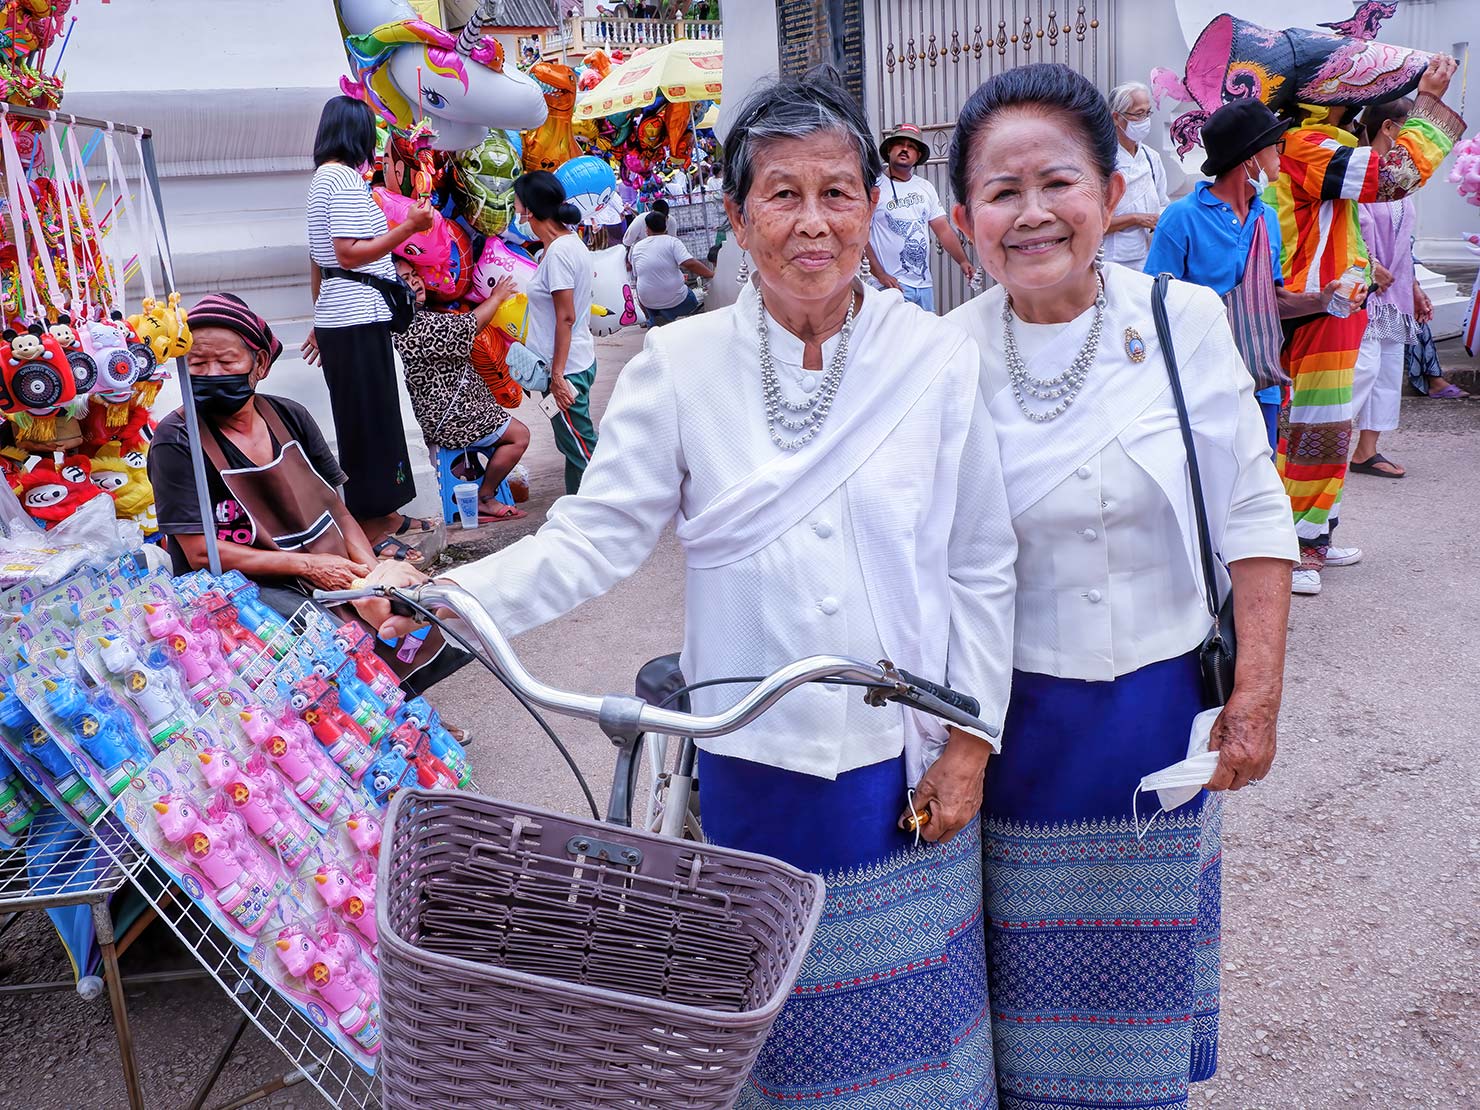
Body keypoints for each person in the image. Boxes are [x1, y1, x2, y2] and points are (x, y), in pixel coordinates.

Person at [356, 69, 1017, 1109]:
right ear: (740, 215)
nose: (813, 222)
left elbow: (981, 562)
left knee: (909, 1040)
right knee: (762, 1031)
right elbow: (592, 541)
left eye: (837, 193)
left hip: (906, 760)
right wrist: (439, 595)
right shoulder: (680, 364)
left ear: (871, 208)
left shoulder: (933, 360)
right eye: (783, 194)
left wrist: (970, 743)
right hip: (752, 757)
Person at [945, 63, 1298, 1110]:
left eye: (1057, 182)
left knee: (1128, 1023)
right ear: (964, 218)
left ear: (1107, 189)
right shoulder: (936, 357)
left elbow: (1251, 515)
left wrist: (1258, 697)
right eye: (1000, 193)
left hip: (1153, 721)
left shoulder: (1181, 322)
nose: (1032, 213)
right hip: (1006, 732)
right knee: (1010, 1011)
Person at [150, 293, 461, 692]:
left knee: (399, 605)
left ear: (259, 364)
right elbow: (198, 551)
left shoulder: (288, 415)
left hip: (321, 561)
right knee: (327, 638)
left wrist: (370, 575)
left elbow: (336, 509)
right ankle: (369, 720)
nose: (211, 373)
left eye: (226, 362)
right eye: (196, 364)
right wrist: (310, 568)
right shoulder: (176, 440)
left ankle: (408, 708)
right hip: (244, 583)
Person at [1272, 55, 1463, 594]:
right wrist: (1427, 103)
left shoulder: (1311, 143)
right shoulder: (1307, 144)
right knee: (1314, 427)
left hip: (1336, 305)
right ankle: (1296, 548)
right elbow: (1395, 176)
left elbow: (1331, 225)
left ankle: (1316, 534)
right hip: (1314, 311)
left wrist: (1365, 264)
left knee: (1328, 428)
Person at [1144, 99, 1341, 449]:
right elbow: (1154, 305)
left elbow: (1269, 301)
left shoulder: (1266, 219)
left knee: (1258, 485)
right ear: (1250, 158)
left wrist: (1320, 300)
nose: (1281, 156)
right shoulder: (1181, 218)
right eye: (1275, 148)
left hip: (1258, 382)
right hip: (1201, 385)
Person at [300, 95, 437, 563]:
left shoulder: (328, 178)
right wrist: (411, 227)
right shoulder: (337, 177)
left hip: (351, 313)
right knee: (368, 422)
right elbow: (346, 253)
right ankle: (373, 522)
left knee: (378, 416)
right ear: (355, 132)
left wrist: (321, 317)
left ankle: (388, 512)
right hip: (354, 316)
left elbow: (318, 260)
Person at [391, 258, 530, 523]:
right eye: (405, 280)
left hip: (452, 409)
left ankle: (475, 487)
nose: (414, 282)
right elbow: (466, 327)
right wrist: (497, 297)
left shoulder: (408, 319)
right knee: (519, 436)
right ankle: (485, 497)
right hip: (450, 416)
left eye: (414, 275)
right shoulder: (413, 326)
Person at [515, 171, 600, 495]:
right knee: (573, 445)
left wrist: (558, 374)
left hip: (567, 368)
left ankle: (606, 510)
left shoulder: (560, 253)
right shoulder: (563, 246)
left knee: (581, 448)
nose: (515, 211)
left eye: (517, 203)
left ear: (529, 209)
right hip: (572, 361)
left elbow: (566, 317)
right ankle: (579, 510)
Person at [1350, 98, 1421, 480]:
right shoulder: (1356, 169)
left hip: (1395, 292)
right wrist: (1369, 266)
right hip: (1362, 289)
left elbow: (1405, 238)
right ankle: (1315, 445)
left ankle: (1366, 451)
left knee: (1388, 369)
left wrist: (1417, 288)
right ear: (1389, 128)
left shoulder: (1401, 178)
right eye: (1408, 129)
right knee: (1362, 367)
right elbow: (1344, 226)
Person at [864, 123, 976, 312]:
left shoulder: (925, 187)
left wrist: (963, 261)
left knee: (925, 339)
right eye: (900, 144)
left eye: (912, 146)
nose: (905, 149)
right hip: (891, 287)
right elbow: (860, 236)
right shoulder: (874, 189)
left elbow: (942, 229)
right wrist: (880, 274)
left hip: (923, 287)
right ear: (889, 150)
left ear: (917, 156)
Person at [1103, 82, 1168, 271]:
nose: (1145, 120)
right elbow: (1094, 224)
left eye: (1148, 113)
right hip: (1114, 263)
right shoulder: (1103, 162)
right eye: (1139, 114)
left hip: (1150, 257)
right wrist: (1135, 219)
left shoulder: (1150, 158)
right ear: (1117, 117)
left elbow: (1163, 203)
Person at [629, 211, 714, 325]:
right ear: (666, 226)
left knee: (653, 304)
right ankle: (666, 315)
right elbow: (689, 263)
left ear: (647, 229)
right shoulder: (672, 242)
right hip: (674, 299)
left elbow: (641, 274)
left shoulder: (637, 247)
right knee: (692, 301)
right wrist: (711, 274)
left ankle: (655, 319)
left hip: (647, 301)